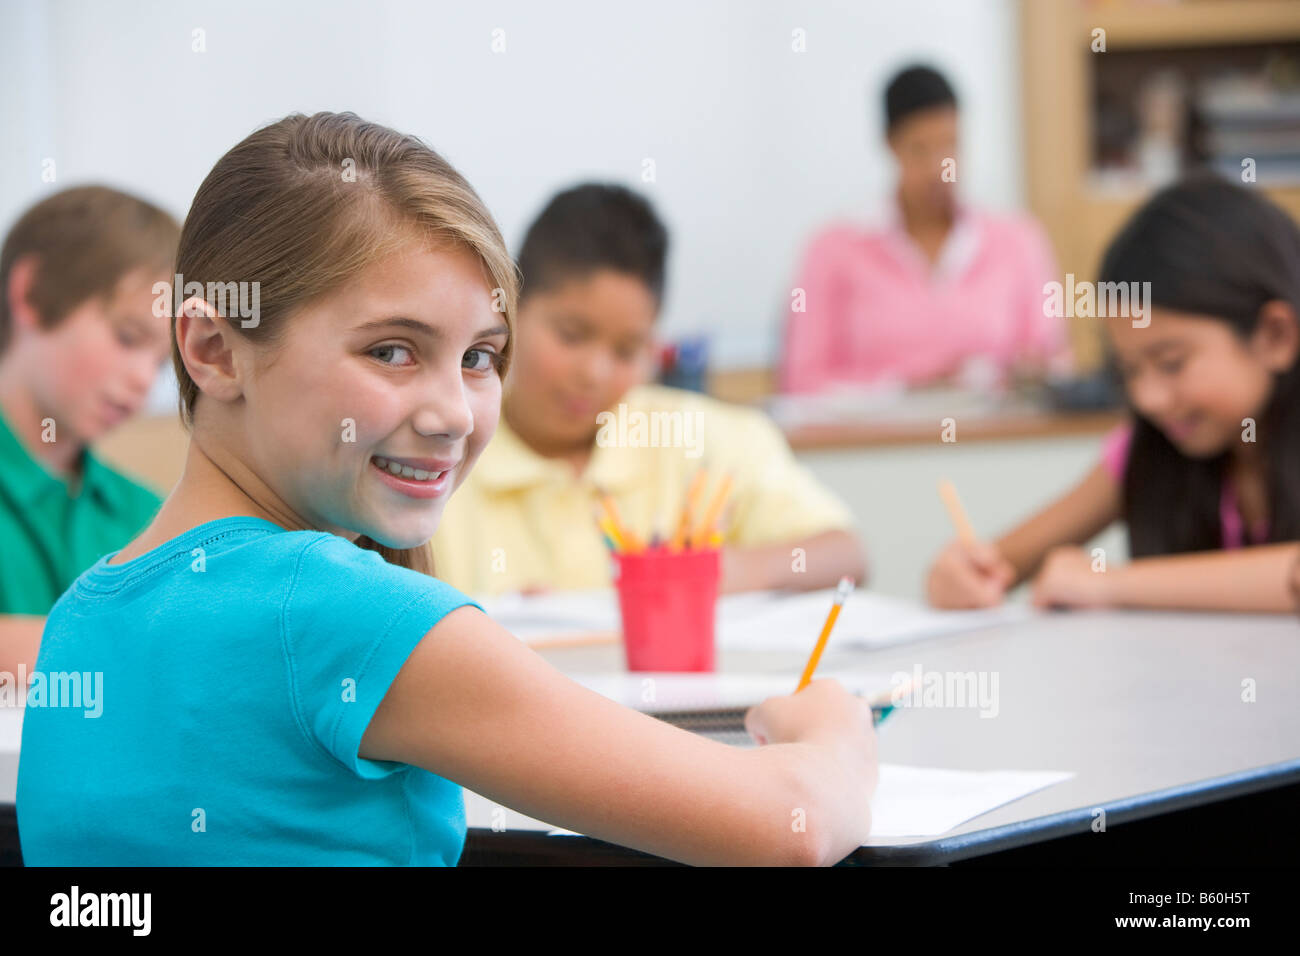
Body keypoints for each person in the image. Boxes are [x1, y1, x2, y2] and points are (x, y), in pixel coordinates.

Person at [17, 113, 877, 866]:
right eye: (391, 350)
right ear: (211, 349)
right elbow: (790, 827)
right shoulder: (352, 617)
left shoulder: (82, 617)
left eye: (479, 357)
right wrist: (832, 728)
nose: (454, 414)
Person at [432, 183, 867, 596]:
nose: (595, 373)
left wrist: (720, 572)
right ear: (509, 308)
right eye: (571, 335)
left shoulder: (702, 439)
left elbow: (845, 553)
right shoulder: (445, 459)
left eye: (627, 350)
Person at [927, 176, 1300, 613]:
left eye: (1171, 362)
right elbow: (999, 564)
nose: (1149, 398)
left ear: (1275, 336)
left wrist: (1111, 584)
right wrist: (959, 576)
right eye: (1128, 371)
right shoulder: (1150, 448)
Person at [780, 64, 1069, 393]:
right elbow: (802, 383)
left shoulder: (1019, 242)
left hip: (992, 439)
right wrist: (905, 389)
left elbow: (1056, 362)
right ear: (891, 146)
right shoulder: (832, 250)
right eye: (919, 149)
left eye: (949, 146)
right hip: (879, 441)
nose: (938, 169)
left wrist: (1030, 372)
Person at [0, 186, 179, 674]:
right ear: (32, 293)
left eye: (162, 362)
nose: (144, 379)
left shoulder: (153, 520)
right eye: (126, 336)